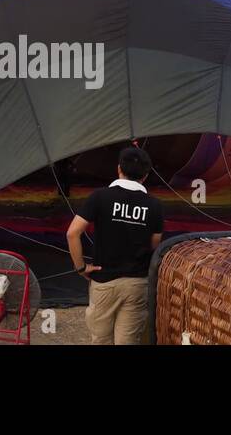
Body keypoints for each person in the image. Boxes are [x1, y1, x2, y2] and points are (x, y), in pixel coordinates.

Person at [66, 147, 164, 345]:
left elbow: (72, 233)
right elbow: (155, 245)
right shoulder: (155, 205)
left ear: (119, 168)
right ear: (145, 176)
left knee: (101, 340)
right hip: (136, 284)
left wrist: (81, 268)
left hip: (104, 282)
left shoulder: (100, 197)